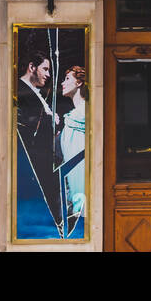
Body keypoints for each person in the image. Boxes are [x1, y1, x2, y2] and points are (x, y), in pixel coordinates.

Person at [16, 51, 62, 224]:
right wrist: (52, 120)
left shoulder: (33, 92)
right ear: (32, 67)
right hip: (35, 158)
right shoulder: (21, 91)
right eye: (45, 69)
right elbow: (26, 124)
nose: (48, 75)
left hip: (45, 156)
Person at [58, 65, 88, 233]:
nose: (63, 83)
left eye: (67, 79)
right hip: (72, 183)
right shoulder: (74, 116)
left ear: (79, 83)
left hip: (81, 184)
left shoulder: (83, 114)